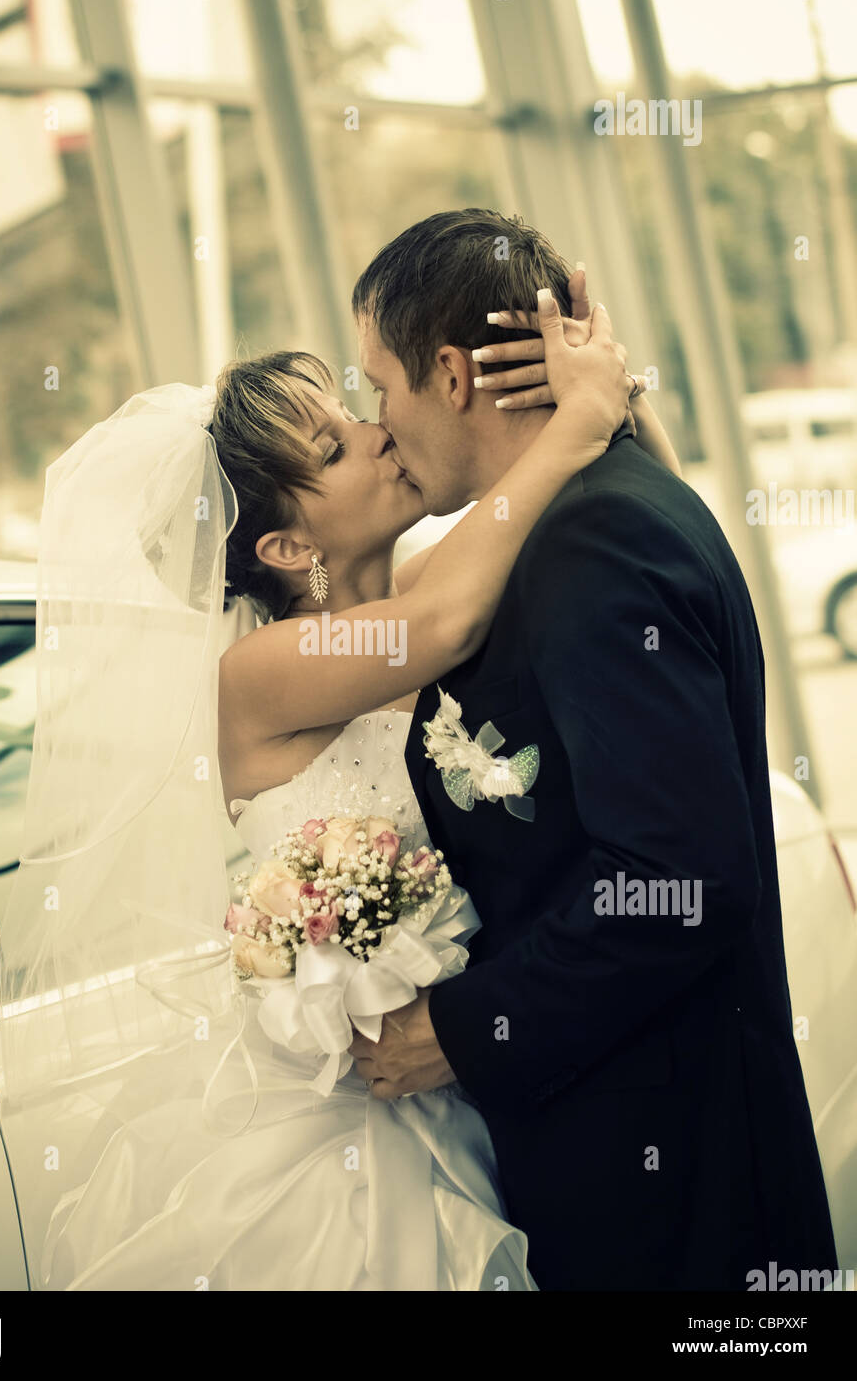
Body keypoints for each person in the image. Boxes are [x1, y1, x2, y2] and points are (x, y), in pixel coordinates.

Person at [0, 231, 673, 1289]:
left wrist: (613, 392)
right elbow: (444, 626)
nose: (375, 431)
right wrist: (579, 417)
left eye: (354, 410)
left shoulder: (421, 588)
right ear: (283, 550)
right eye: (330, 447)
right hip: (332, 1145)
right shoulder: (262, 673)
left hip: (468, 1076)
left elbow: (602, 529)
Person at [344, 208, 838, 1290]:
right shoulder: (584, 509)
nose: (376, 420)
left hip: (671, 1175)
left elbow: (678, 879)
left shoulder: (592, 540)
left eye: (377, 385)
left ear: (448, 374)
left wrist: (467, 1029)